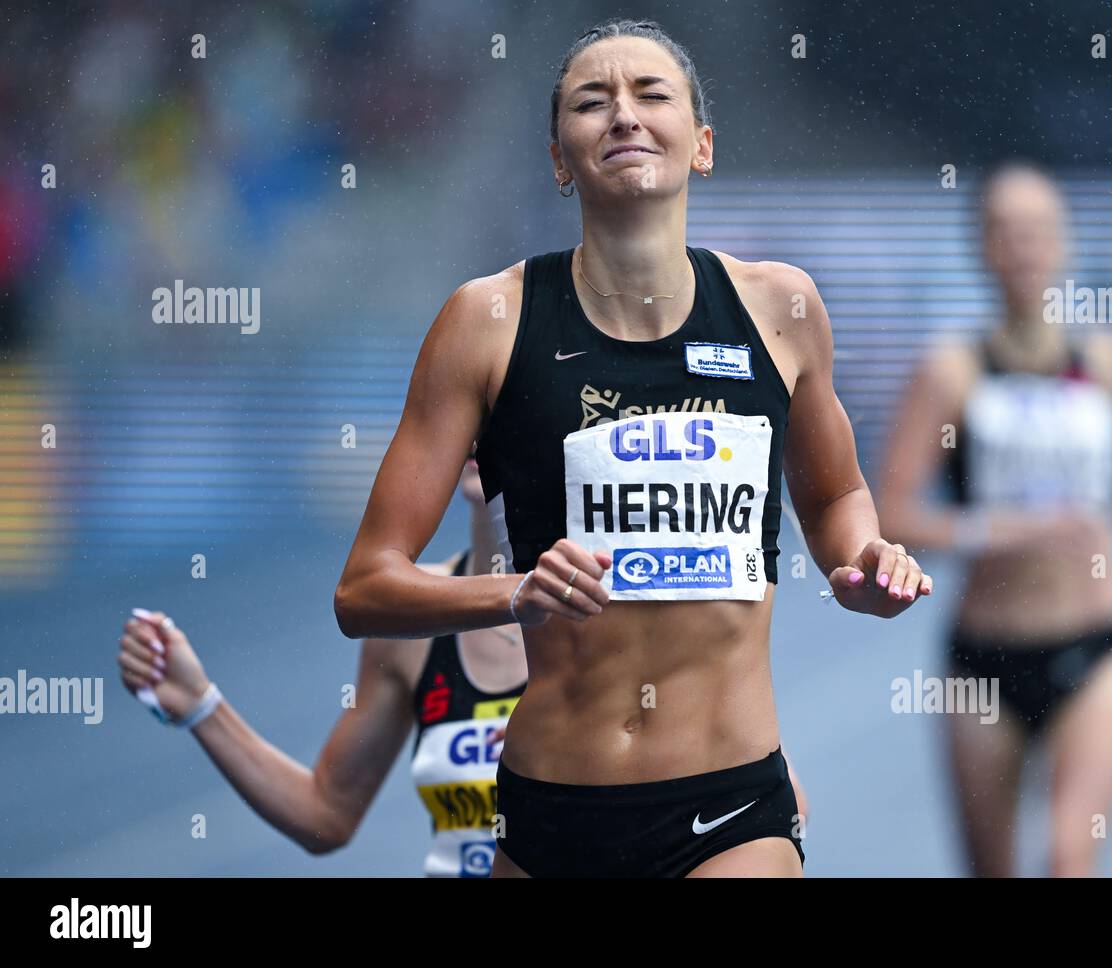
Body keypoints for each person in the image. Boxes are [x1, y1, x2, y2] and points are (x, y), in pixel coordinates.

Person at [332, 18, 930, 878]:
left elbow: (834, 499)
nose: (623, 115)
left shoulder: (781, 308)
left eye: (652, 95)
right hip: (553, 809)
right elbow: (365, 587)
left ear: (703, 145)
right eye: (591, 101)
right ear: (558, 159)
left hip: (732, 804)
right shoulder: (486, 323)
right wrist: (515, 592)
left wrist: (861, 562)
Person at [875, 161, 1112, 877]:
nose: (1023, 248)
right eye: (1005, 232)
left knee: (1068, 860)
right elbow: (892, 515)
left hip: (1098, 650)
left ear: (1066, 245)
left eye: (1039, 231)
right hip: (982, 664)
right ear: (981, 248)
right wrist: (1007, 528)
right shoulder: (950, 371)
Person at [117, 456, 529, 876]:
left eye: (507, 402)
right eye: (476, 409)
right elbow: (327, 814)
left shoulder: (596, 616)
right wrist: (199, 704)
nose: (482, 425)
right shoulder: (414, 616)